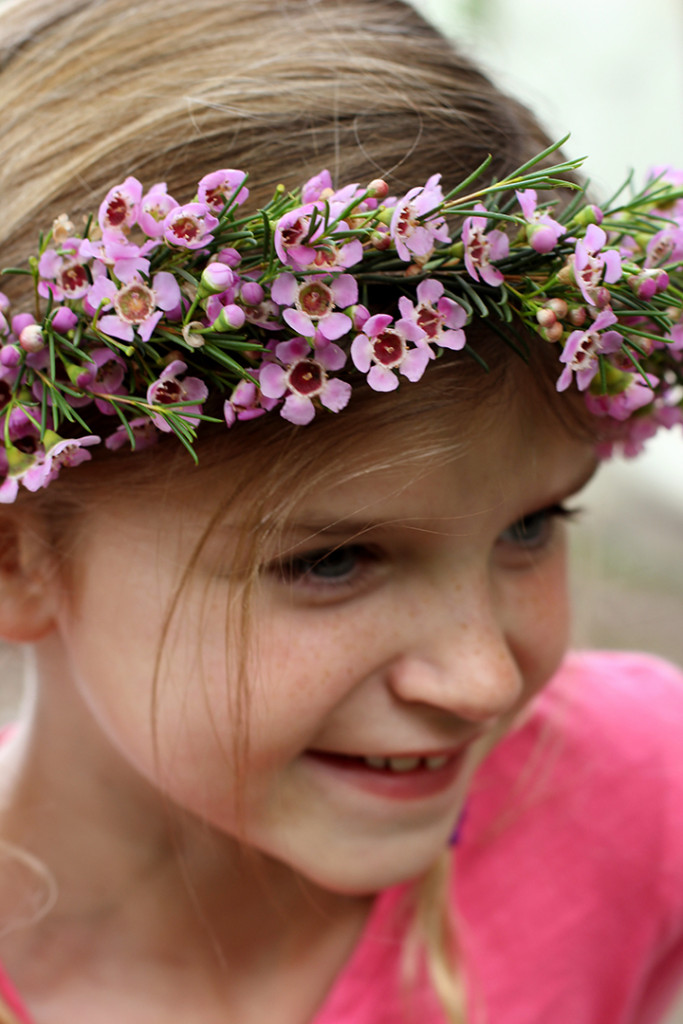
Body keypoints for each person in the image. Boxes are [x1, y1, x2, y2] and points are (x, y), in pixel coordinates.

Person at [0, 1, 682, 1022]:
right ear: (17, 556)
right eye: (335, 559)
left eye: (530, 526)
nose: (482, 680)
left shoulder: (635, 798)